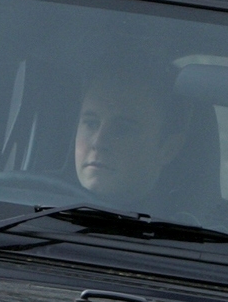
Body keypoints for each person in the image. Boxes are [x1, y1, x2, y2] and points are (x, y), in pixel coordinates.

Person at [73, 61, 187, 210]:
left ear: (168, 149)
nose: (99, 142)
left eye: (122, 129)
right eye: (91, 124)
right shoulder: (38, 199)